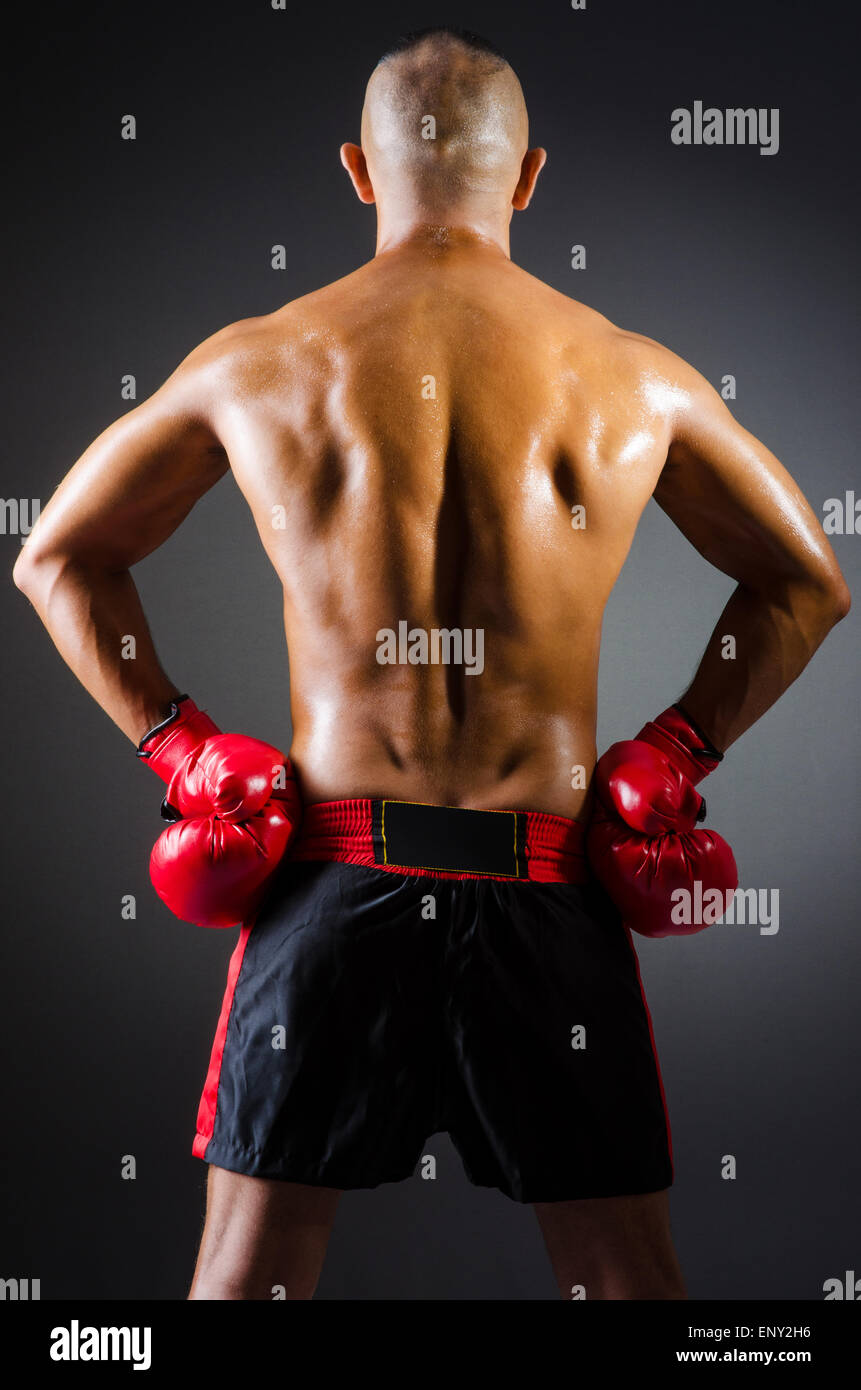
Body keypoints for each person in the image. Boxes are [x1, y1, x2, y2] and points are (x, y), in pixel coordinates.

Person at [13, 27, 849, 1301]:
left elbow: (55, 556)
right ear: (529, 178)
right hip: (547, 892)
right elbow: (812, 579)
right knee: (629, 1289)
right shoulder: (637, 379)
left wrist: (180, 750)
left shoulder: (259, 362)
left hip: (334, 886)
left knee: (246, 1284)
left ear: (358, 170)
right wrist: (679, 751)